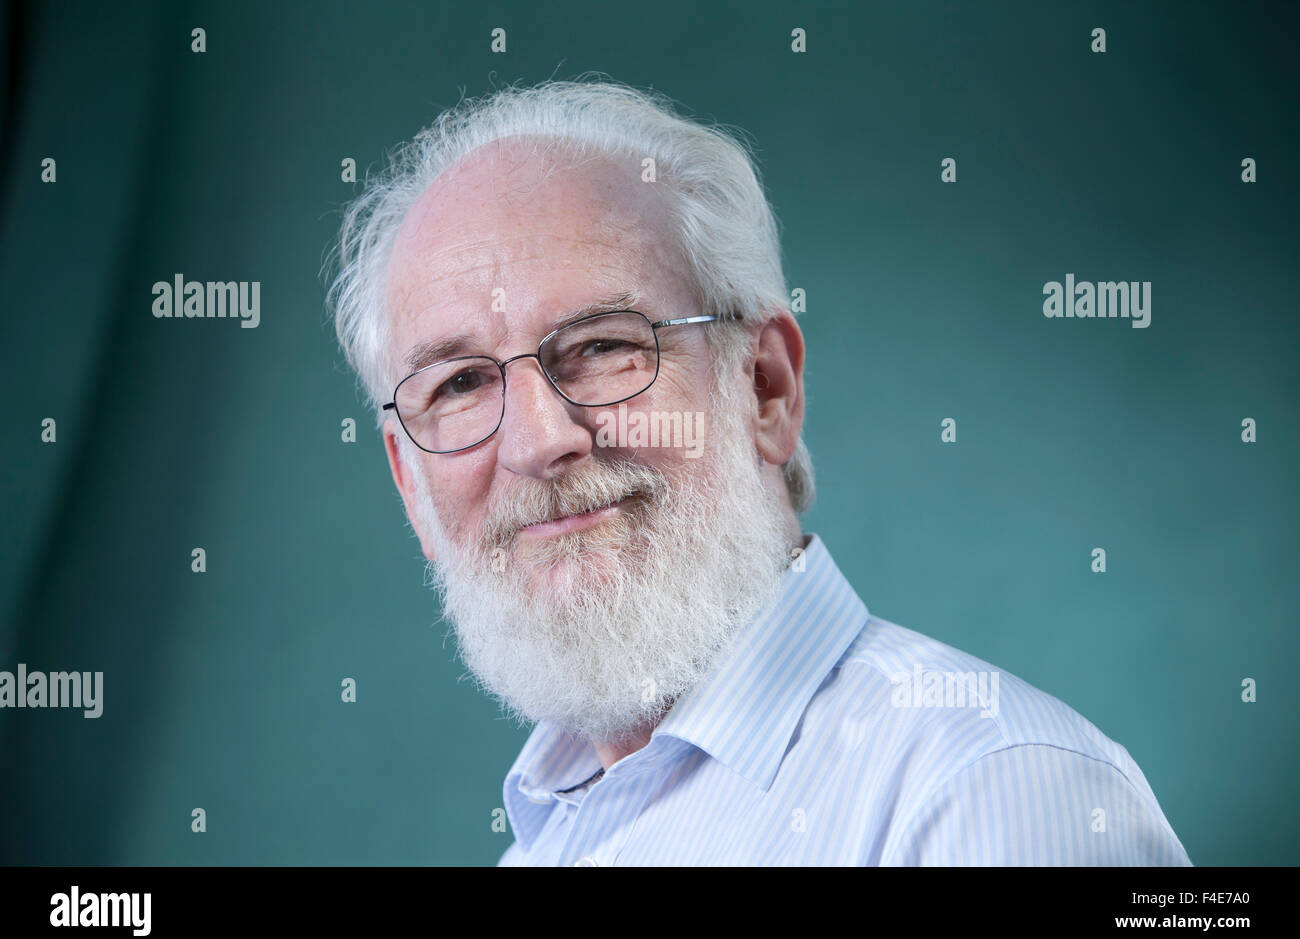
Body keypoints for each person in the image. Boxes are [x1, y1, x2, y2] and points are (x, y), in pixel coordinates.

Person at [327, 77, 1192, 865]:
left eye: (602, 347)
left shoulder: (994, 795)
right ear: (411, 485)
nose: (538, 440)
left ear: (764, 388)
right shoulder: (548, 835)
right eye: (463, 383)